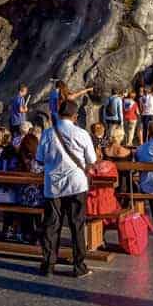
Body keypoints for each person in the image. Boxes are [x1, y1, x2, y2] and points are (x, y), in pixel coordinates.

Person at [37, 99, 99, 278]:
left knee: (51, 225)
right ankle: (79, 266)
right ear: (75, 116)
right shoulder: (81, 133)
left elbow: (39, 159)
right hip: (76, 183)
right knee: (77, 225)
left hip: (53, 185)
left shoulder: (48, 133)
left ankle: (48, 265)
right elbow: (91, 160)